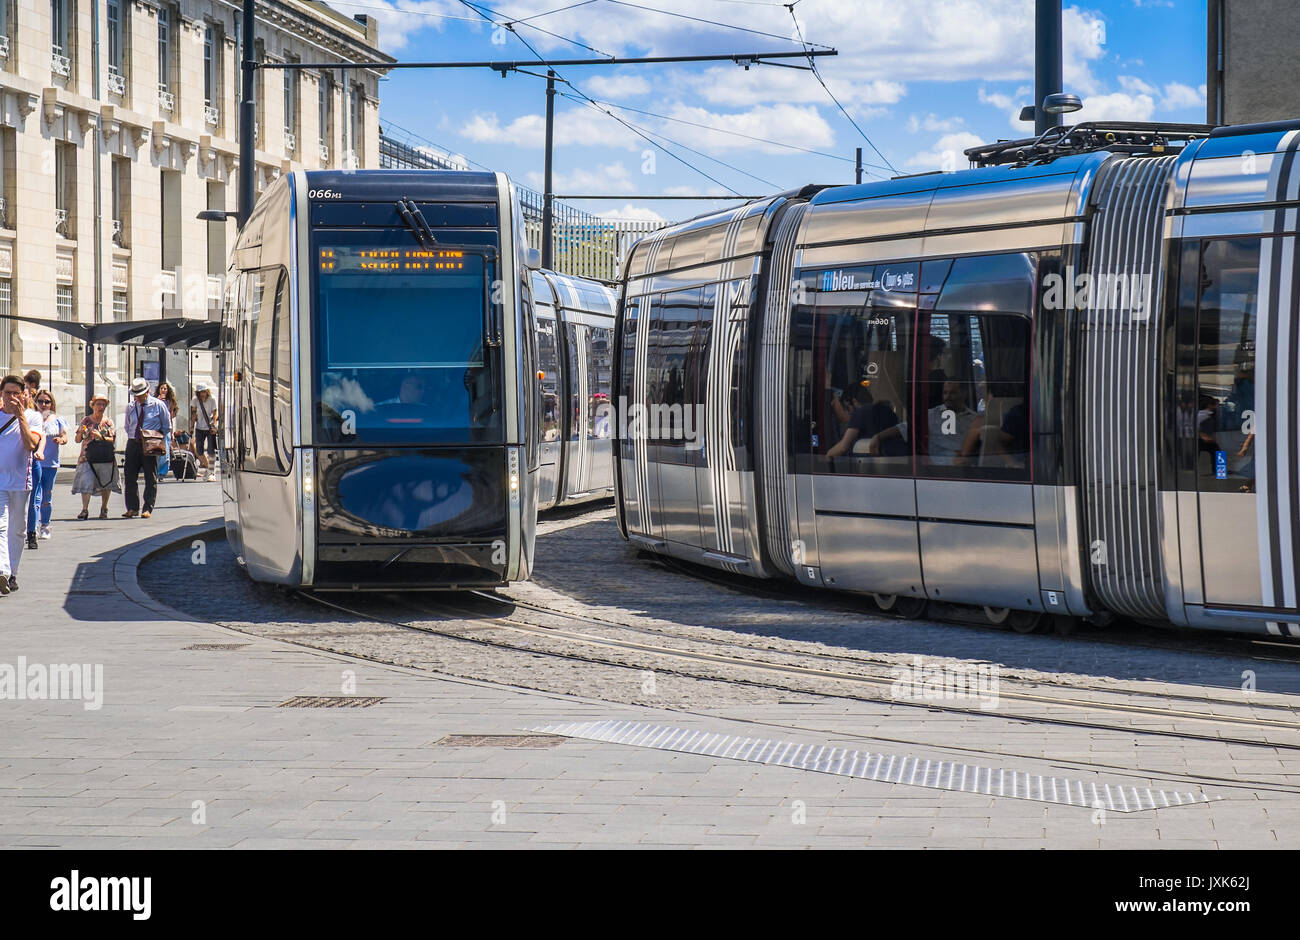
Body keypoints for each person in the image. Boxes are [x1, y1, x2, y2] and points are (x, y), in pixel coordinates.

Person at [0, 374, 44, 595]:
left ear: (23, 396)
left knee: (17, 530)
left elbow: (31, 445)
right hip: (0, 483)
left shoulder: (33, 418)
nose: (12, 398)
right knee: (0, 525)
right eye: (8, 393)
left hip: (20, 481)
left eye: (16, 393)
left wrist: (20, 417)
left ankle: (12, 573)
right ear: (2, 394)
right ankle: (2, 571)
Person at [122, 377, 172, 519]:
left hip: (151, 443)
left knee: (151, 476)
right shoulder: (131, 406)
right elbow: (127, 426)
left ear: (147, 392)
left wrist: (155, 438)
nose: (137, 398)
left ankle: (147, 507)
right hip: (133, 442)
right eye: (135, 395)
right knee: (130, 476)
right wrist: (135, 436)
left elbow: (166, 426)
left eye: (140, 395)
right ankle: (132, 507)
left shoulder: (158, 405)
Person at [28, 391, 69, 543]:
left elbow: (65, 437)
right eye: (40, 401)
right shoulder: (32, 418)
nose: (43, 404)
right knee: (34, 496)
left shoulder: (57, 419)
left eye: (47, 401)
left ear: (52, 403)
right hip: (34, 461)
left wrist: (61, 440)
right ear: (35, 402)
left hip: (50, 463)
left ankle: (45, 525)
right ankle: (33, 527)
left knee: (47, 495)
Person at [72, 393, 120, 519]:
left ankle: (104, 508)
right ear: (92, 405)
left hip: (104, 456)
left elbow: (113, 439)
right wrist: (82, 433)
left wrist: (101, 437)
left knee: (105, 482)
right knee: (86, 480)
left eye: (103, 404)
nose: (101, 407)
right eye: (98, 404)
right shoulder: (86, 421)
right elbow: (77, 439)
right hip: (87, 456)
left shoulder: (108, 422)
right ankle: (84, 509)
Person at [190, 383, 219, 481]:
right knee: (199, 450)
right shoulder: (195, 400)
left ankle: (211, 472)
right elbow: (193, 413)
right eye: (200, 392)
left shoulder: (212, 399)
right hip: (199, 427)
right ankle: (208, 469)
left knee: (211, 450)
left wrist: (214, 425)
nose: (202, 394)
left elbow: (215, 413)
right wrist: (191, 426)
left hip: (209, 427)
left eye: (204, 392)